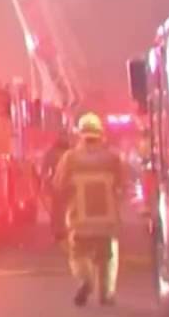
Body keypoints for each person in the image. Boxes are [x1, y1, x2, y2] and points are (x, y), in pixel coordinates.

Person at [52, 113, 127, 307]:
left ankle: (86, 280)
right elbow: (122, 185)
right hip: (107, 221)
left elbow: (59, 185)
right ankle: (106, 293)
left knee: (78, 255)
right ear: (101, 134)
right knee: (107, 258)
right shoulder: (112, 158)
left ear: (80, 134)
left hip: (79, 219)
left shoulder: (70, 158)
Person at [42, 132, 73, 242]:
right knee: (58, 210)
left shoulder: (71, 152)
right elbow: (45, 169)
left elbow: (45, 169)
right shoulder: (71, 152)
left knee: (62, 209)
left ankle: (64, 230)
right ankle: (59, 231)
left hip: (66, 185)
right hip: (60, 185)